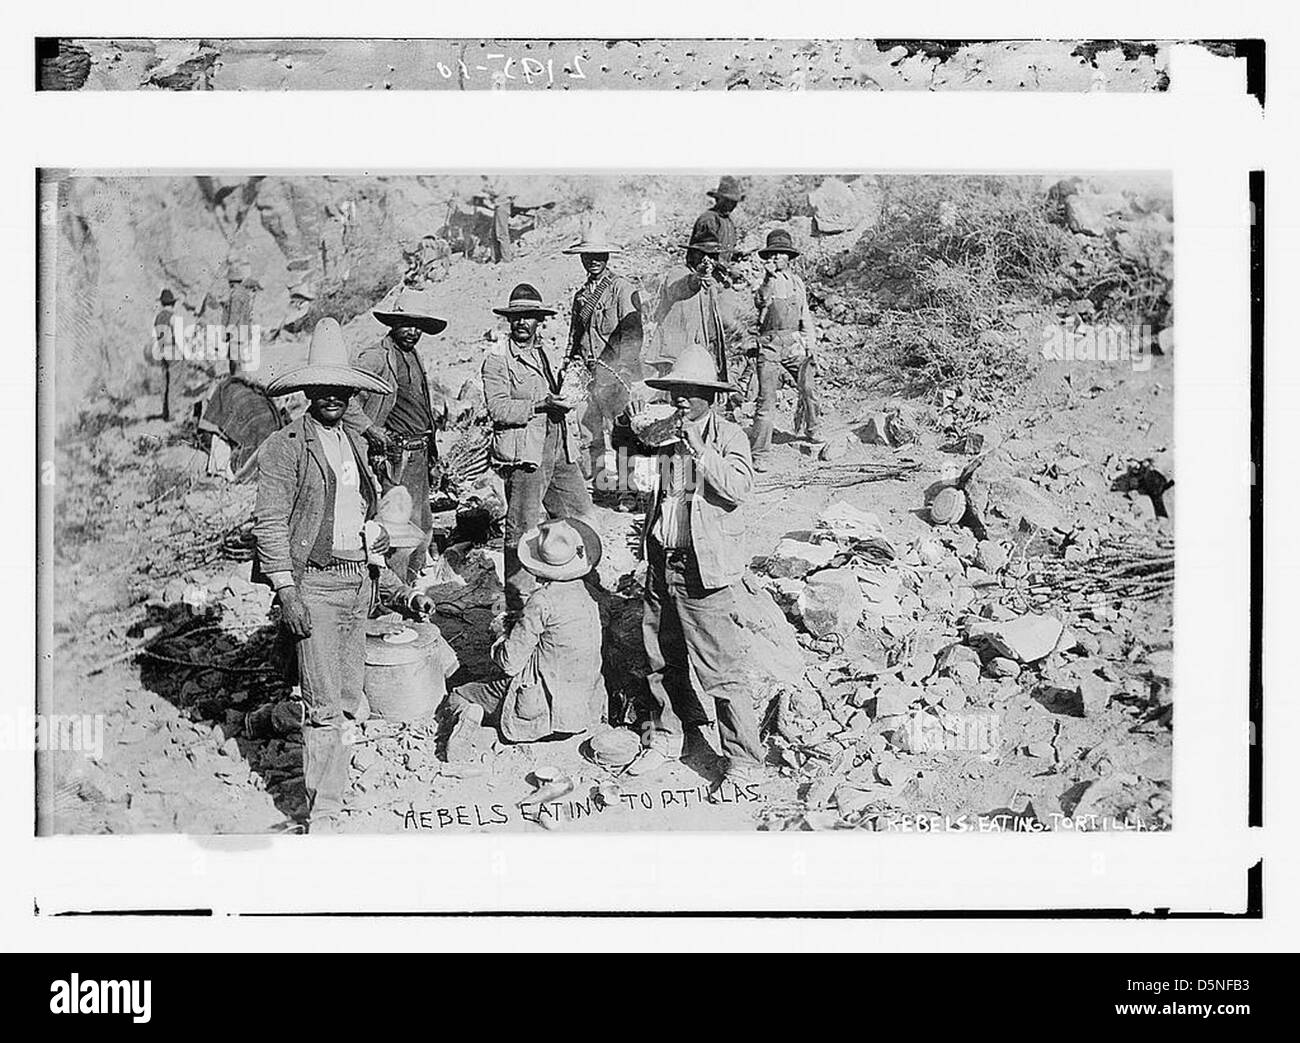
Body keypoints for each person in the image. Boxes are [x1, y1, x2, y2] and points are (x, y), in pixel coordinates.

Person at [253, 318, 435, 833]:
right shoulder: (286, 446)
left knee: (350, 695)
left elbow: (357, 515)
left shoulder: (353, 444)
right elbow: (269, 524)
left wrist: (386, 565)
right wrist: (287, 592)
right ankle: (325, 813)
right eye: (322, 388)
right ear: (307, 392)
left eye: (341, 388)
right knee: (324, 703)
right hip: (316, 584)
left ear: (351, 392)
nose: (332, 396)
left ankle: (335, 783)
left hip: (359, 582)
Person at [614, 343, 766, 794]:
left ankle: (743, 761)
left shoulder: (728, 437)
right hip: (663, 560)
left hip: (702, 568)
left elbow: (738, 489)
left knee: (720, 667)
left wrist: (700, 451)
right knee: (661, 657)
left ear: (711, 397)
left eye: (691, 392)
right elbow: (632, 477)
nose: (681, 399)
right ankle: (668, 733)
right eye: (677, 390)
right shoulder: (667, 432)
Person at [444, 517, 606, 752]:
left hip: (540, 706)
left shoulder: (542, 600)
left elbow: (510, 663)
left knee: (459, 694)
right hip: (584, 702)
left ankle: (471, 714)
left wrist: (500, 636)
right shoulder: (589, 593)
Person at [482, 283, 596, 614]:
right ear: (509, 321)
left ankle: (578, 587)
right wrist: (542, 404)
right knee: (522, 527)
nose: (522, 323)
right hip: (526, 454)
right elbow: (499, 409)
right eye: (517, 317)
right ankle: (519, 606)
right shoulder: (497, 360)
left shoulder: (545, 352)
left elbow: (561, 393)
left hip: (560, 446)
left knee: (579, 515)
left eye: (529, 317)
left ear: (538, 321)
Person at [343, 286, 450, 583]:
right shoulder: (377, 357)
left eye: (418, 326)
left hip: (418, 453)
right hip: (394, 456)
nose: (413, 331)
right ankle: (393, 596)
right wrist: (369, 428)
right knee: (397, 529)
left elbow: (421, 409)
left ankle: (411, 592)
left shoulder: (414, 356)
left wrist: (432, 457)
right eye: (407, 324)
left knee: (421, 525)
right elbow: (344, 397)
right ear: (392, 323)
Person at [563, 227, 643, 478]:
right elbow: (575, 337)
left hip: (616, 373)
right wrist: (569, 364)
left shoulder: (622, 289)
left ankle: (627, 488)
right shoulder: (581, 297)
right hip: (590, 374)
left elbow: (632, 333)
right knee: (589, 429)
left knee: (623, 432)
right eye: (588, 256)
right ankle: (597, 484)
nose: (594, 260)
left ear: (607, 256)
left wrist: (623, 370)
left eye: (599, 255)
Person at [747, 228, 822, 471]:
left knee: (808, 387)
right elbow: (760, 301)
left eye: (781, 253)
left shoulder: (797, 283)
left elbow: (805, 317)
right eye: (773, 253)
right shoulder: (763, 281)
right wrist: (768, 279)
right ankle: (760, 453)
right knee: (766, 401)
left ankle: (812, 429)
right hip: (769, 346)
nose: (777, 257)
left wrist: (811, 347)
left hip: (792, 345)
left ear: (789, 257)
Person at [651, 230, 733, 382]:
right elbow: (679, 287)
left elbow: (724, 318)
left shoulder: (714, 280)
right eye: (702, 254)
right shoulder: (678, 273)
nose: (707, 259)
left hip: (703, 350)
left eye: (712, 256)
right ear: (692, 255)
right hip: (675, 353)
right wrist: (698, 277)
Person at [691, 175, 745, 266]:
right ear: (718, 199)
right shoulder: (709, 219)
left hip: (720, 270)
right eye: (728, 201)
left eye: (734, 202)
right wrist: (728, 269)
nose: (732, 205)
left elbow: (722, 250)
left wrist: (734, 255)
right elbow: (703, 255)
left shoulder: (728, 221)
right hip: (703, 272)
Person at [152, 288, 177, 421]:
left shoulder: (158, 317)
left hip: (162, 350)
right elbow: (177, 336)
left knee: (165, 382)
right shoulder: (172, 317)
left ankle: (164, 412)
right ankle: (171, 413)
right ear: (173, 303)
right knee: (174, 382)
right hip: (172, 351)